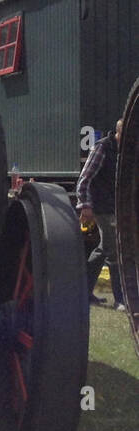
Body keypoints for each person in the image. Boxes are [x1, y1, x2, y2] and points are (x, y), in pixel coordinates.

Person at [77, 119, 125, 310]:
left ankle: (84, 292)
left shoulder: (126, 152)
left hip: (116, 207)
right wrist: (85, 205)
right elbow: (85, 178)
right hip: (102, 206)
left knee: (103, 248)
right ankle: (121, 299)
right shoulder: (103, 148)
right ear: (119, 132)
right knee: (112, 249)